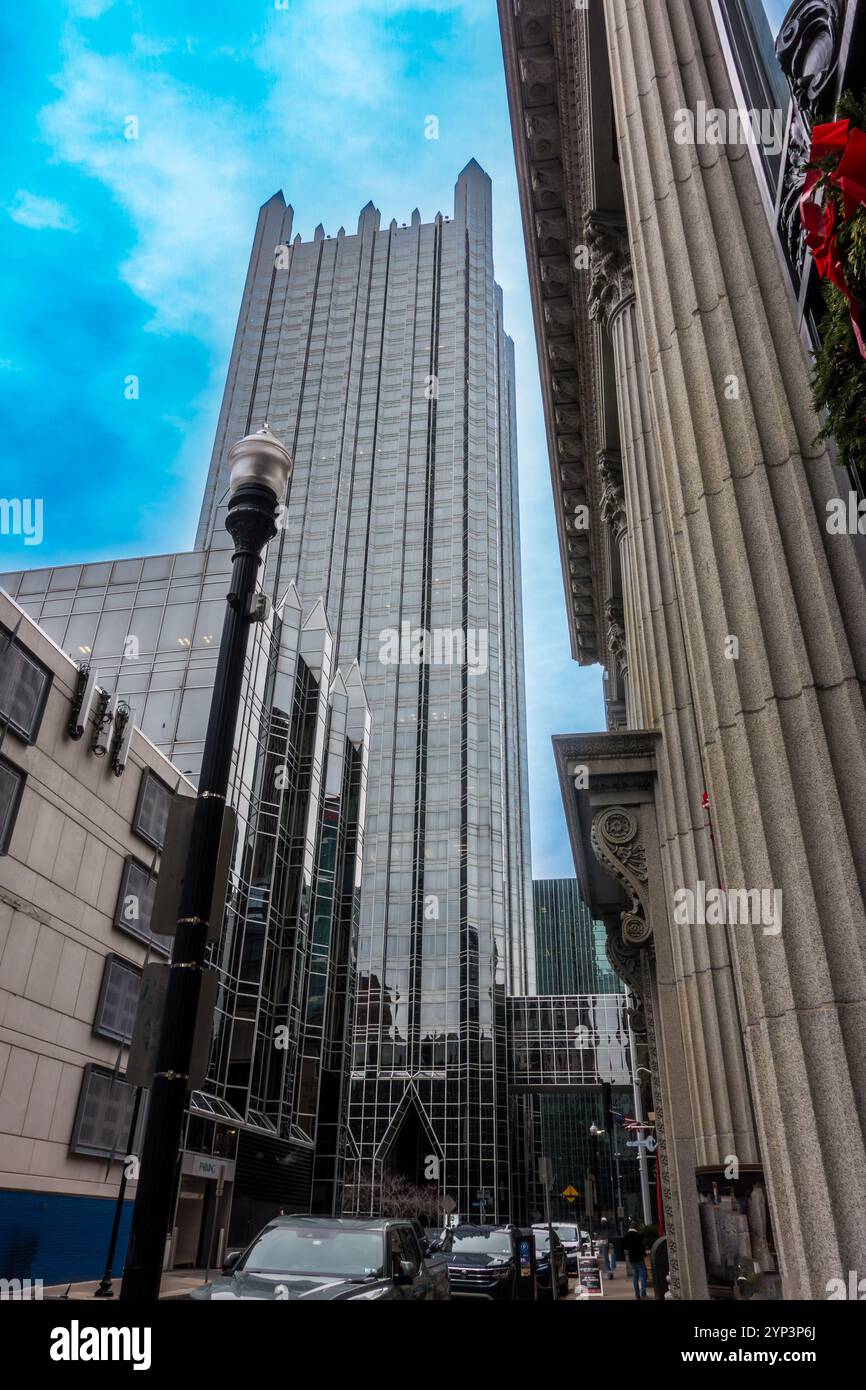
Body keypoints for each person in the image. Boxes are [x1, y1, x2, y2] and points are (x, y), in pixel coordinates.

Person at [624, 1221, 648, 1299]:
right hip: (639, 1259)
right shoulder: (639, 1235)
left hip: (632, 1259)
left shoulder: (626, 1236)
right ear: (636, 1227)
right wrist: (644, 1254)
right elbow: (641, 1247)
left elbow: (625, 1247)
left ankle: (637, 1294)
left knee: (635, 1277)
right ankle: (643, 1293)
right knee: (643, 1275)